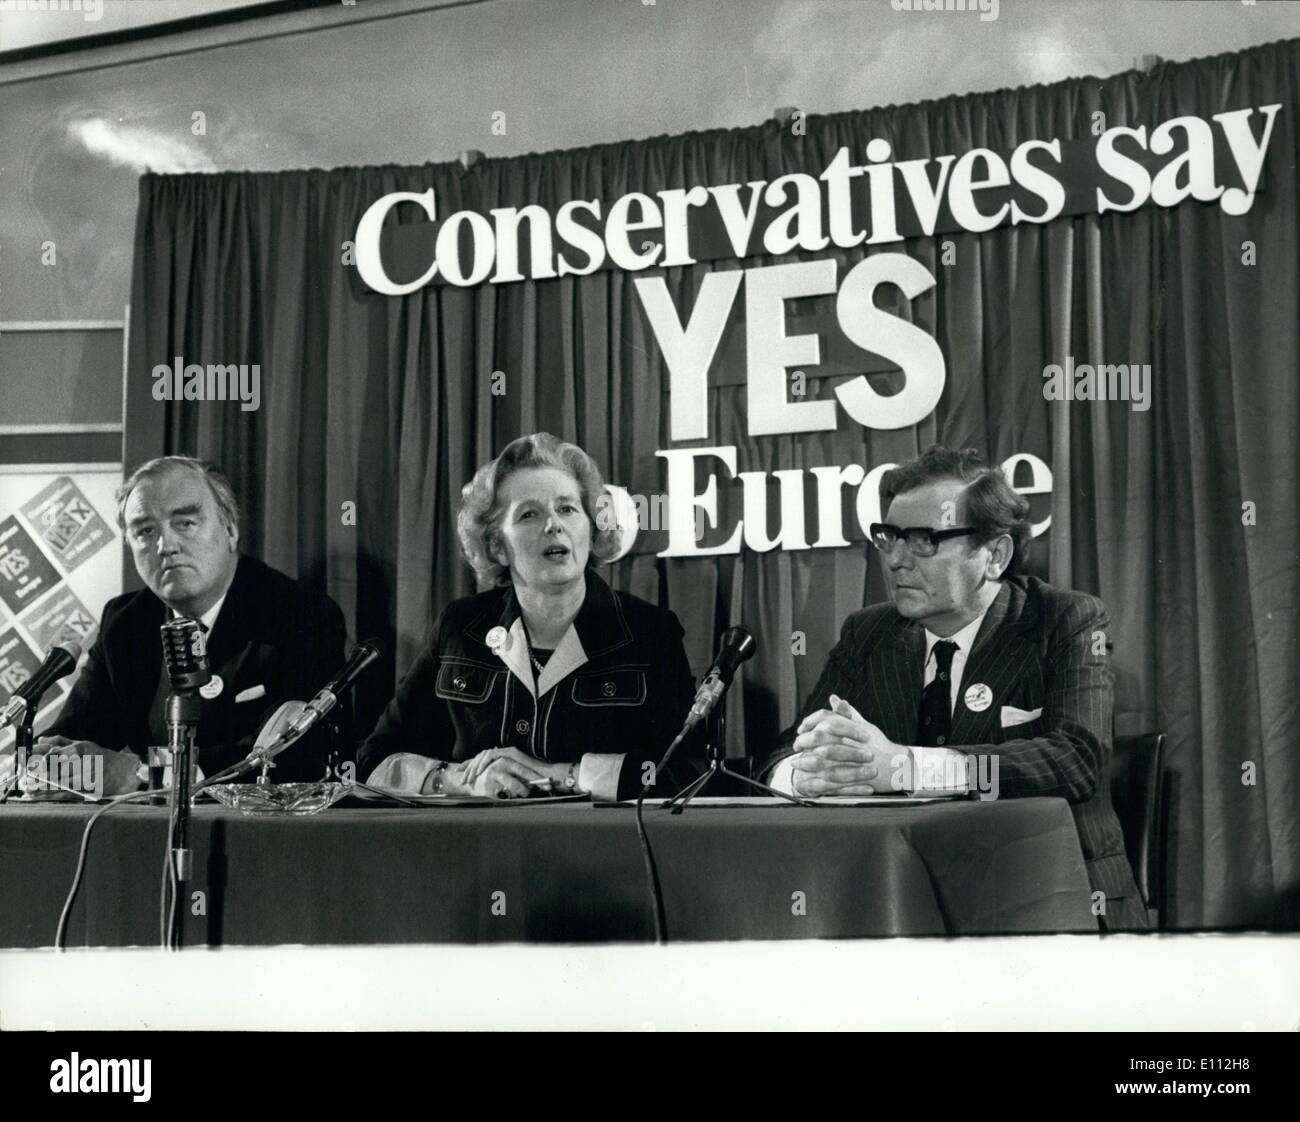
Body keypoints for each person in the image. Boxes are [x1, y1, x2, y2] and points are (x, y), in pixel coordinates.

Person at [756, 445, 1149, 932]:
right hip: (906, 909)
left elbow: (1076, 760)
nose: (896, 560)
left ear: (994, 556)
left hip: (1051, 901)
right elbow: (780, 754)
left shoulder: (1065, 620)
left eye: (924, 540)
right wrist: (808, 774)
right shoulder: (868, 633)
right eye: (889, 537)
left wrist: (906, 767)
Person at [359, 433, 702, 801]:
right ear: (497, 546)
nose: (553, 525)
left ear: (592, 528)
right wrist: (462, 780)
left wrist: (560, 775)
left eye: (567, 509)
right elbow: (372, 763)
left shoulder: (649, 631)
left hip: (601, 838)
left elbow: (685, 772)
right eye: (529, 514)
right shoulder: (460, 627)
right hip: (475, 837)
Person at [5, 456, 348, 797]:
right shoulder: (126, 622)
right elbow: (77, 732)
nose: (166, 546)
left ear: (230, 531)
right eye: (145, 531)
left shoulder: (301, 615)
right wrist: (46, 767)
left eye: (185, 523)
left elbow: (294, 755)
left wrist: (142, 774)